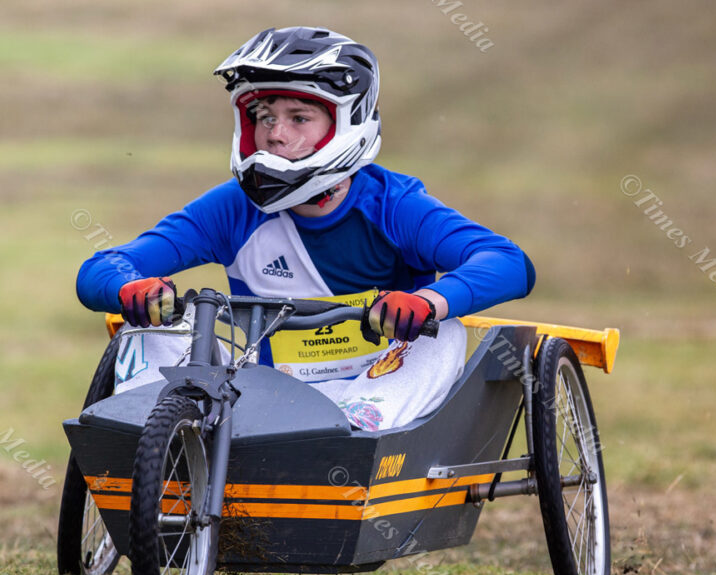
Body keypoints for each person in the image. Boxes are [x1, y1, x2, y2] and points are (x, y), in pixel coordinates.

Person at [76, 26, 535, 431]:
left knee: (447, 330)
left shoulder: (395, 205)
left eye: (299, 118)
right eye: (264, 117)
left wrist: (427, 302)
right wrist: (130, 287)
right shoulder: (232, 207)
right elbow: (101, 267)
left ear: (346, 123)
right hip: (262, 395)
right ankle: (151, 438)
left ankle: (350, 432)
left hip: (376, 383)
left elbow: (508, 262)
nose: (275, 135)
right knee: (152, 325)